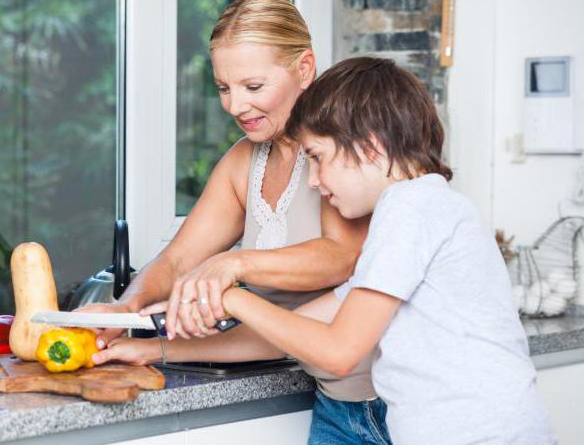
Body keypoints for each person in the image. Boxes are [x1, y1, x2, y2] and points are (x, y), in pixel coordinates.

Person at [189, 56, 556, 444]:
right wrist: (157, 349)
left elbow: (339, 352)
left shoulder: (411, 209)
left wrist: (233, 297)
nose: (312, 181)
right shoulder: (421, 209)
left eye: (317, 157)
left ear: (369, 146)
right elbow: (292, 330)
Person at [78, 0, 391, 445]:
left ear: (305, 69)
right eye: (224, 88)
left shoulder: (338, 157)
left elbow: (342, 256)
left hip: (383, 400)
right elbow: (179, 258)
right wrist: (126, 309)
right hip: (332, 395)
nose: (235, 105)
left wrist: (233, 265)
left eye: (253, 86)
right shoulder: (245, 161)